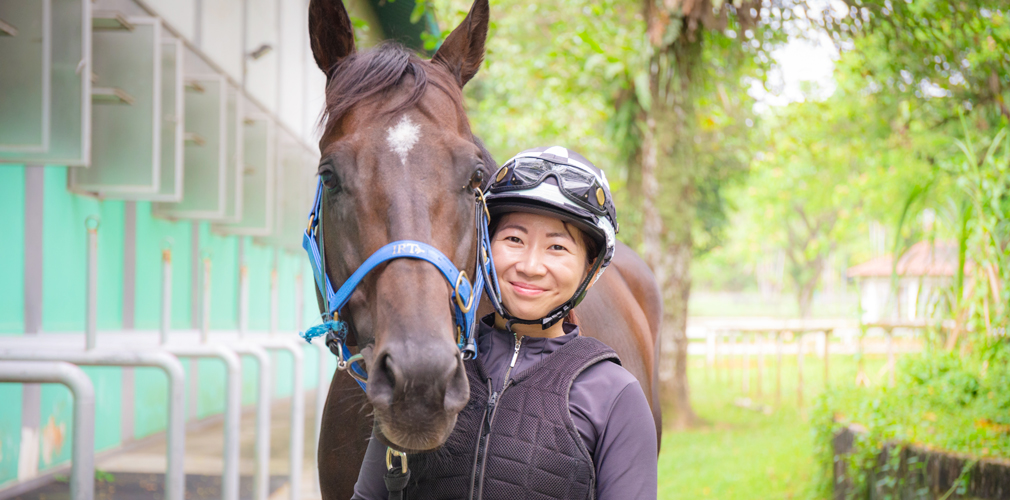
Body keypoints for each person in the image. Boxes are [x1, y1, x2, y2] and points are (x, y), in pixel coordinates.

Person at [352, 146, 658, 500]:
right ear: (485, 246)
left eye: (557, 248)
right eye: (514, 239)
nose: (530, 266)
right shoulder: (433, 367)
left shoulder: (616, 395)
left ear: (589, 270)